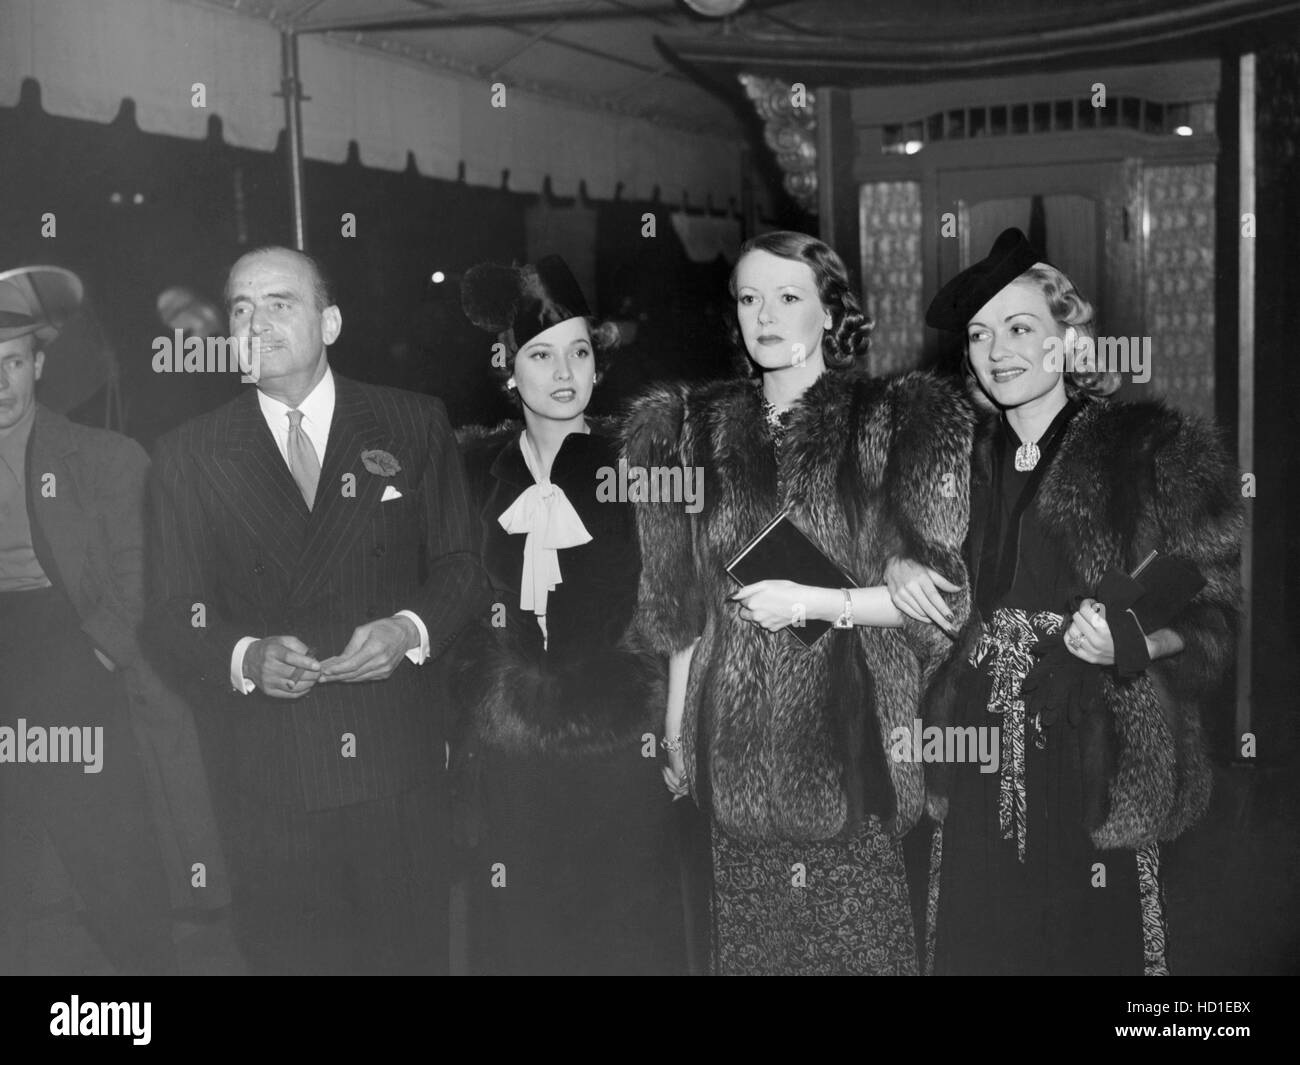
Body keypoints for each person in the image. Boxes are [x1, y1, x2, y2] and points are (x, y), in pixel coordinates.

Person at [888, 227, 1241, 975]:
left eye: (1020, 327)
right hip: (975, 729)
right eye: (980, 335)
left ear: (1068, 340)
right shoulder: (954, 458)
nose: (997, 349)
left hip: (1094, 738)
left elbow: (1212, 617)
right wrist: (894, 565)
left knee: (1087, 945)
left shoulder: (1146, 454)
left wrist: (1133, 645)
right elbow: (914, 567)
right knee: (977, 940)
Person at [622, 231, 973, 975]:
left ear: (830, 311)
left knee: (862, 953)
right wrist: (676, 727)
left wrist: (821, 599)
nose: (765, 315)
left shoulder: (889, 421)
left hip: (848, 745)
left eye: (788, 297)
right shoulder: (698, 430)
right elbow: (687, 604)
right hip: (732, 746)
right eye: (749, 298)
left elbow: (939, 606)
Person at [145, 246, 486, 975]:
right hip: (272, 777)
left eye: (279, 302)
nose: (255, 321)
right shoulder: (187, 454)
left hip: (397, 762)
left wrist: (409, 629)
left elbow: (462, 568)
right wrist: (245, 656)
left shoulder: (413, 422)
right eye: (240, 307)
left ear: (330, 321)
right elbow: (171, 614)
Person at [451, 256, 686, 975]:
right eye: (542, 354)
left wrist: (676, 729)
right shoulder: (473, 467)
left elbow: (684, 604)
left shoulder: (645, 457)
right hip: (511, 741)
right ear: (507, 368)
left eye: (580, 352)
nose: (564, 372)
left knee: (625, 935)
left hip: (624, 740)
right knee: (524, 937)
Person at [0, 277, 176, 974]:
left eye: (11, 361)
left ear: (38, 364)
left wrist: (98, 656)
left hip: (67, 652)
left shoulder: (103, 456)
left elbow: (142, 577)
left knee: (112, 856)